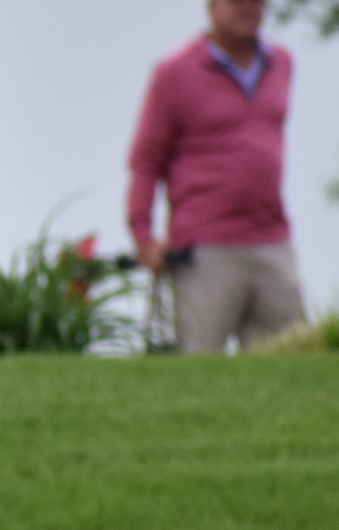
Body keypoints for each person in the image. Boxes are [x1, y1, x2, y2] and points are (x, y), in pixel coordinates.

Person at [128, 0, 306, 354]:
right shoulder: (174, 72)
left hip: (272, 237)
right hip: (204, 244)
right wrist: (143, 236)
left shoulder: (281, 63)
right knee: (199, 363)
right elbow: (146, 160)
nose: (248, 7)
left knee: (292, 363)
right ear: (212, 6)